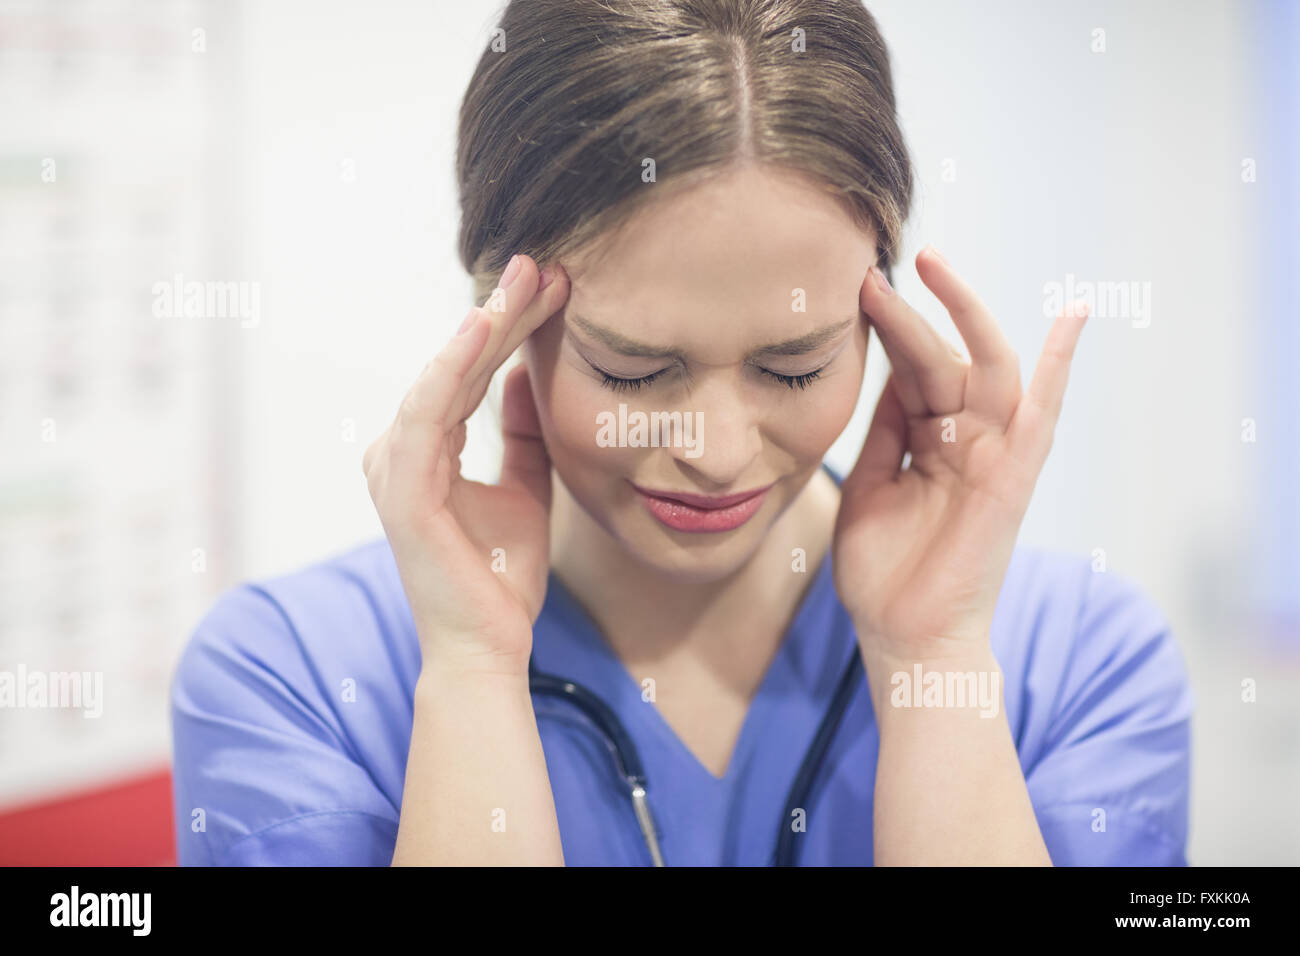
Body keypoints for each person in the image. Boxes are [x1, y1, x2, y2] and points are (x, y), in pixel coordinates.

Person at [170, 0, 1192, 866]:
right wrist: (474, 673)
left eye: (794, 364)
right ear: (499, 311)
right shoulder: (291, 678)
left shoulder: (1085, 664)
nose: (714, 446)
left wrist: (934, 659)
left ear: (876, 311)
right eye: (632, 368)